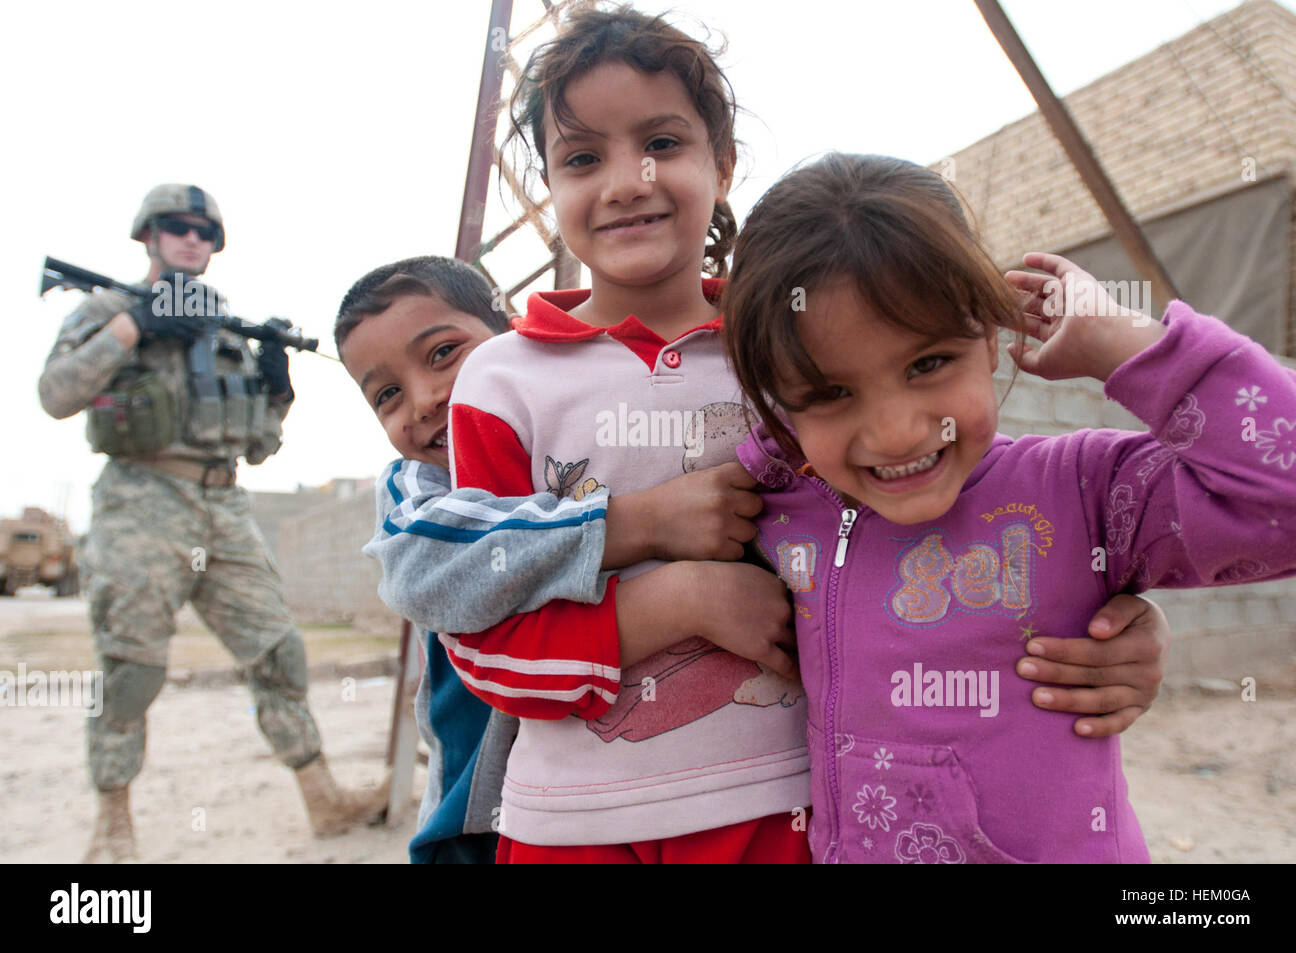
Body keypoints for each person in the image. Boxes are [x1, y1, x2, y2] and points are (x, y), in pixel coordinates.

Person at [435, 4, 1174, 863]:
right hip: (566, 824)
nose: (627, 180)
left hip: (783, 808)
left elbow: (937, 522)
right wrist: (678, 600)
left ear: (724, 161)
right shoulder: (501, 383)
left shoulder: (800, 352)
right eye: (583, 157)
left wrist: (1108, 617)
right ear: (545, 187)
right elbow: (480, 633)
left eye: (663, 144)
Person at [721, 152, 1296, 862]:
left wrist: (1128, 345)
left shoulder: (1079, 496)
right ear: (782, 401)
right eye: (832, 392)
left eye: (928, 363)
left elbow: (1288, 492)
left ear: (992, 337)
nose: (898, 430)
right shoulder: (773, 505)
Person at [339, 255, 818, 861]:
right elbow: (422, 570)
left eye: (442, 354)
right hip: (479, 804)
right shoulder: (420, 488)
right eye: (387, 394)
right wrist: (639, 526)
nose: (426, 398)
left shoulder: (589, 412)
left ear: (511, 339)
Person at [38, 183, 388, 863]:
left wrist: (276, 386)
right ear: (149, 235)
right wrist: (134, 328)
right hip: (141, 498)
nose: (194, 239)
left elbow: (255, 443)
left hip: (222, 504)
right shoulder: (109, 308)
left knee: (277, 649)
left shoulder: (226, 327)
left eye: (206, 231)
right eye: (178, 227)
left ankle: (323, 797)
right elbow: (55, 394)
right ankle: (113, 826)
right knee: (131, 666)